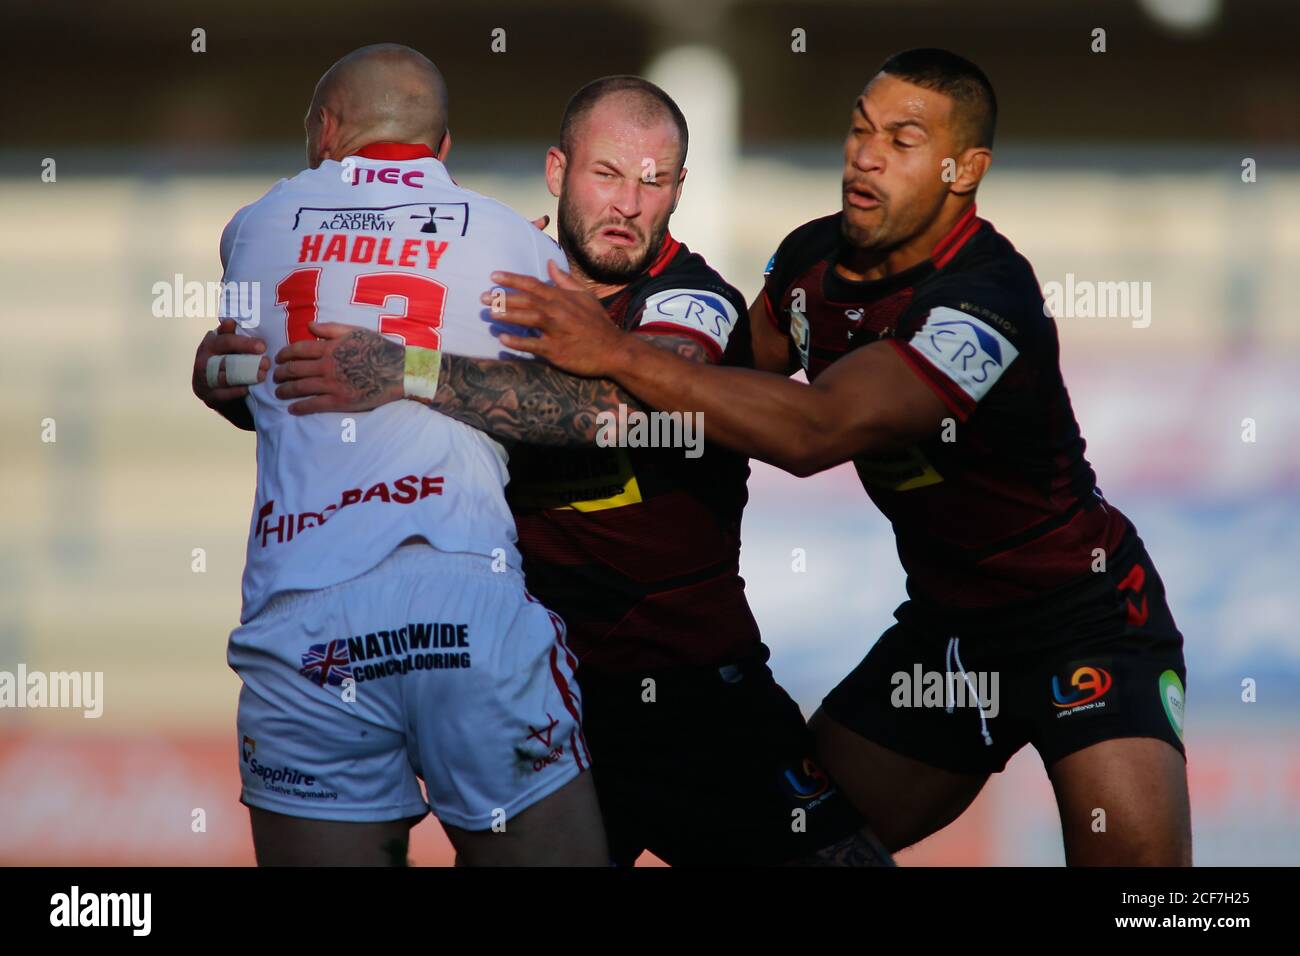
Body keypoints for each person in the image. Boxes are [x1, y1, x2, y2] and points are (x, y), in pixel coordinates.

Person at [477, 49, 1192, 866]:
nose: (867, 152)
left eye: (903, 137)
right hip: (944, 639)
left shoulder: (989, 301)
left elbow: (816, 431)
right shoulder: (810, 261)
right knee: (787, 841)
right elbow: (715, 392)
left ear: (967, 170)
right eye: (860, 128)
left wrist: (612, 350)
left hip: (1082, 621)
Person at [204, 75, 891, 866]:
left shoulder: (693, 299)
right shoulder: (483, 270)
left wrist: (415, 371)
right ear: (559, 173)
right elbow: (329, 379)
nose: (629, 204)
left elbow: (625, 409)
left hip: (684, 685)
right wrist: (233, 379)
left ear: (678, 192)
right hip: (530, 677)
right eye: (607, 175)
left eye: (654, 181)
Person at [205, 43, 607, 866]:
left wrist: (220, 382)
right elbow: (592, 416)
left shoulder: (253, 225)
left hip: (302, 614)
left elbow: (244, 378)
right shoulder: (510, 238)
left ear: (324, 130)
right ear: (443, 150)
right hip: (463, 597)